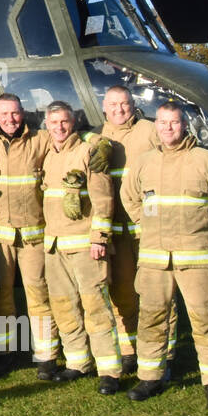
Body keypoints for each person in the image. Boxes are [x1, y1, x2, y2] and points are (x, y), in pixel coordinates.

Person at [122, 102, 208, 411]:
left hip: (196, 258)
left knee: (206, 318)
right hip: (153, 259)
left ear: (183, 125)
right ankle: (150, 377)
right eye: (162, 123)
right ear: (156, 125)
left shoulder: (207, 160)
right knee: (151, 318)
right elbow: (129, 197)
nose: (168, 128)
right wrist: (143, 223)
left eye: (173, 123)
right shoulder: (143, 163)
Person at [0, 93, 61, 380]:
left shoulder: (40, 139)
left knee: (38, 295)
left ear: (22, 113)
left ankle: (46, 356)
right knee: (1, 296)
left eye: (15, 113)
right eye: (4, 114)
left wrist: (93, 142)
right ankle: (5, 352)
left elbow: (70, 138)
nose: (10, 119)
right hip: (0, 238)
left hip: (33, 236)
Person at [41, 101, 121, 394]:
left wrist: (100, 238)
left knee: (96, 307)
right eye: (54, 122)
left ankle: (109, 370)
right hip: (55, 245)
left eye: (64, 121)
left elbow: (103, 199)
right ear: (47, 125)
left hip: (86, 246)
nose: (59, 127)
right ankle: (77, 362)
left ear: (73, 122)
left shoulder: (89, 152)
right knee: (64, 308)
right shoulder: (48, 154)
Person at [95, 85, 161, 374]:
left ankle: (162, 353)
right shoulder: (97, 138)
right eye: (113, 104)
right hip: (117, 229)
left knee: (155, 292)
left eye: (124, 104)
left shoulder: (150, 130)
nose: (119, 110)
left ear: (133, 105)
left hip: (146, 226)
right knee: (122, 293)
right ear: (104, 107)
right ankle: (129, 350)